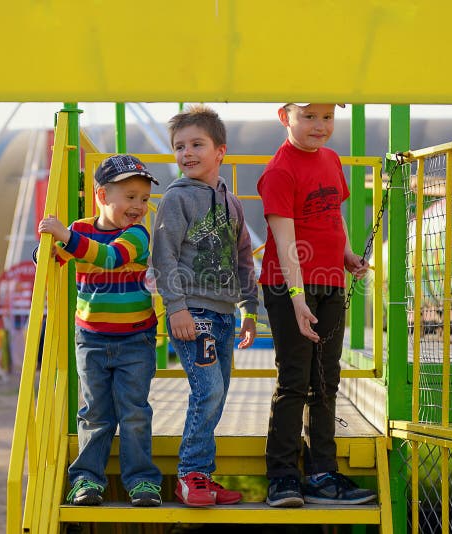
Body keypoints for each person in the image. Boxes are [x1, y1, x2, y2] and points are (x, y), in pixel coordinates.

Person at [258, 103, 375, 507]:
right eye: (308, 117)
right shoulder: (280, 170)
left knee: (326, 380)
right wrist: (296, 299)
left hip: (329, 282)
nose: (319, 126)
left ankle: (323, 473)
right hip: (289, 286)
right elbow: (285, 242)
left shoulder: (331, 159)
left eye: (326, 117)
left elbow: (332, 216)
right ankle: (283, 477)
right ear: (284, 117)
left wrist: (345, 255)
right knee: (295, 380)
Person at [38, 154, 163, 507]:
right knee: (94, 412)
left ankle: (141, 481)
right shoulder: (80, 229)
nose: (139, 205)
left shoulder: (137, 234)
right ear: (102, 195)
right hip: (91, 337)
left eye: (144, 197)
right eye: (130, 196)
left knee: (134, 410)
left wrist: (64, 236)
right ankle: (86, 479)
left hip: (135, 338)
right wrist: (46, 248)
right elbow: (58, 256)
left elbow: (108, 257)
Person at [153, 104, 259, 507]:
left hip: (224, 312)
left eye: (197, 144)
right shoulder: (177, 199)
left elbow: (243, 260)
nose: (187, 153)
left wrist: (250, 309)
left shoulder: (231, 204)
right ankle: (190, 475)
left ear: (221, 151)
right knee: (208, 388)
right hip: (192, 311)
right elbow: (163, 255)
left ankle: (204, 476)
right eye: (179, 147)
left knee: (218, 392)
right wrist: (176, 307)